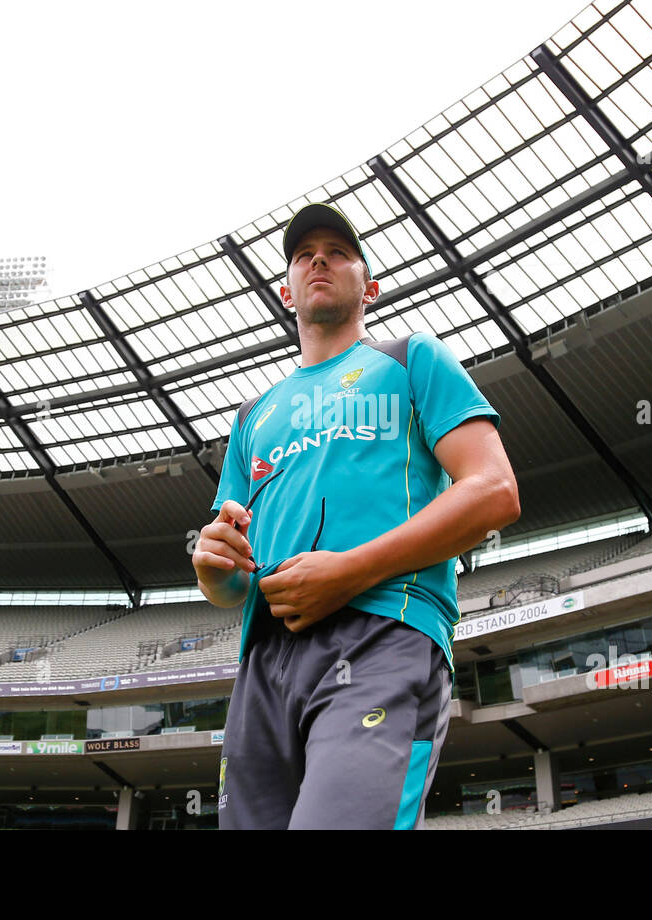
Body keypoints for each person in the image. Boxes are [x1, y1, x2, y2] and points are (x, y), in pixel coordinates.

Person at [192, 202, 519, 829]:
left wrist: (352, 571)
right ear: (287, 292)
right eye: (303, 254)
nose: (318, 259)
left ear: (368, 286)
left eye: (337, 251)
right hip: (264, 660)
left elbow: (494, 489)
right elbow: (232, 581)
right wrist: (214, 569)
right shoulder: (252, 417)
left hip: (381, 632)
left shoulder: (410, 358)